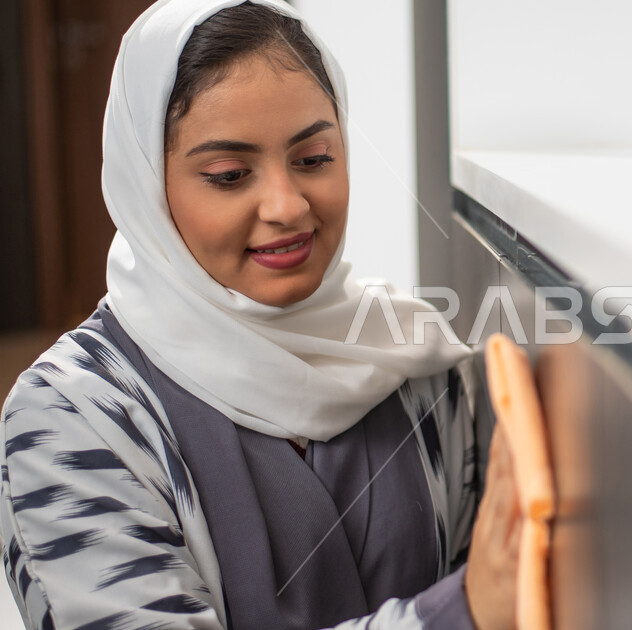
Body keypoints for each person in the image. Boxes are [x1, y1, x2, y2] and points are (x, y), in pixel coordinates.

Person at [0, 1, 519, 628]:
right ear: (148, 190)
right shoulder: (73, 417)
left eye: (314, 159)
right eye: (228, 173)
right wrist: (459, 613)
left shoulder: (419, 367)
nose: (287, 205)